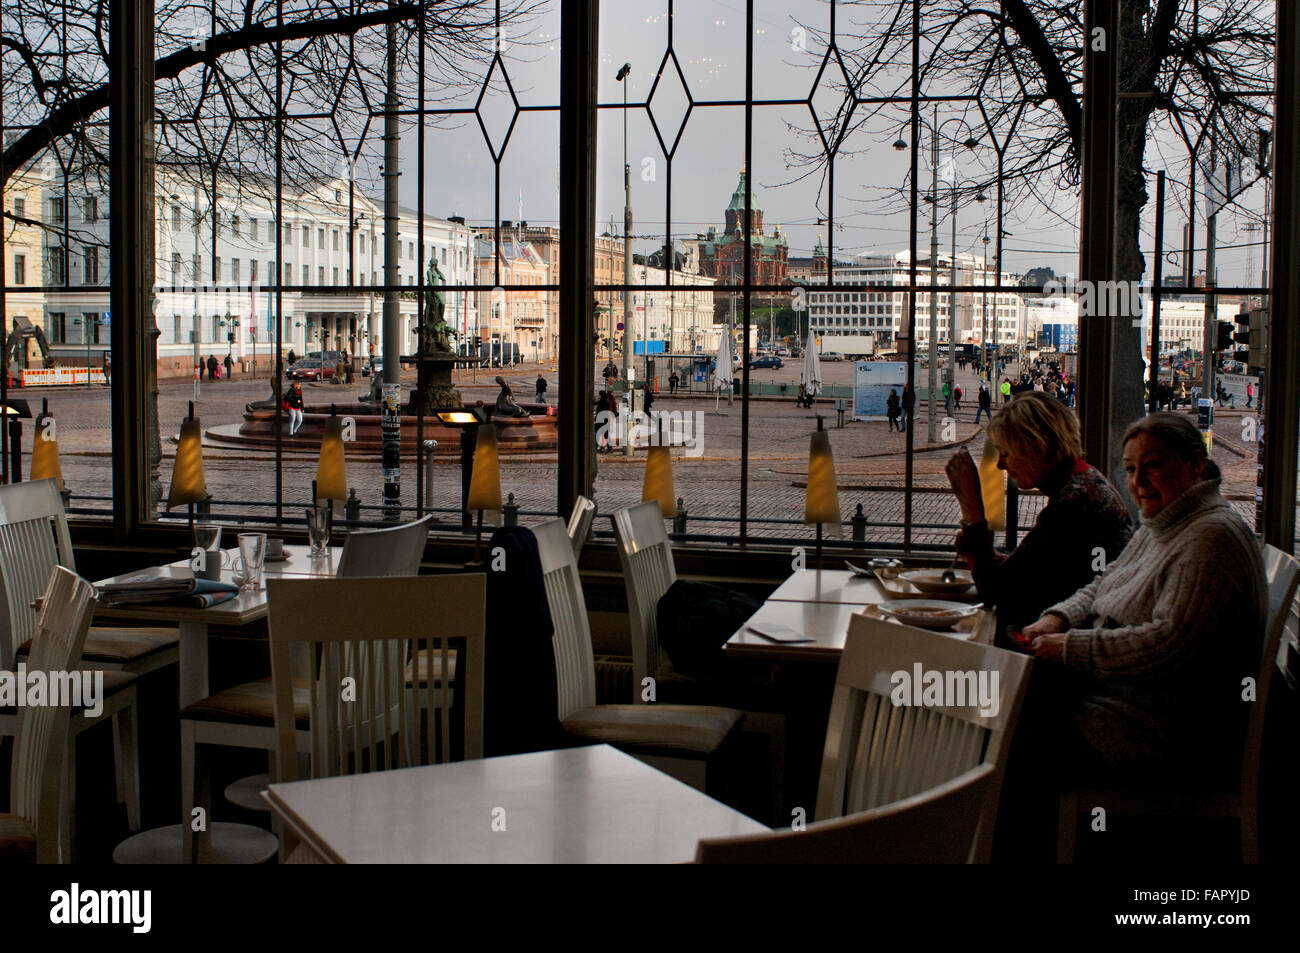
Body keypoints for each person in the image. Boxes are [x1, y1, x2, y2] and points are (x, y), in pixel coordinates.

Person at [945, 392, 1133, 646]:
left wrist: (973, 510)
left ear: (1036, 447)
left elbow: (997, 590)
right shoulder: (1084, 486)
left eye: (1006, 453)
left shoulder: (1075, 504)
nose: (1000, 464)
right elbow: (1034, 571)